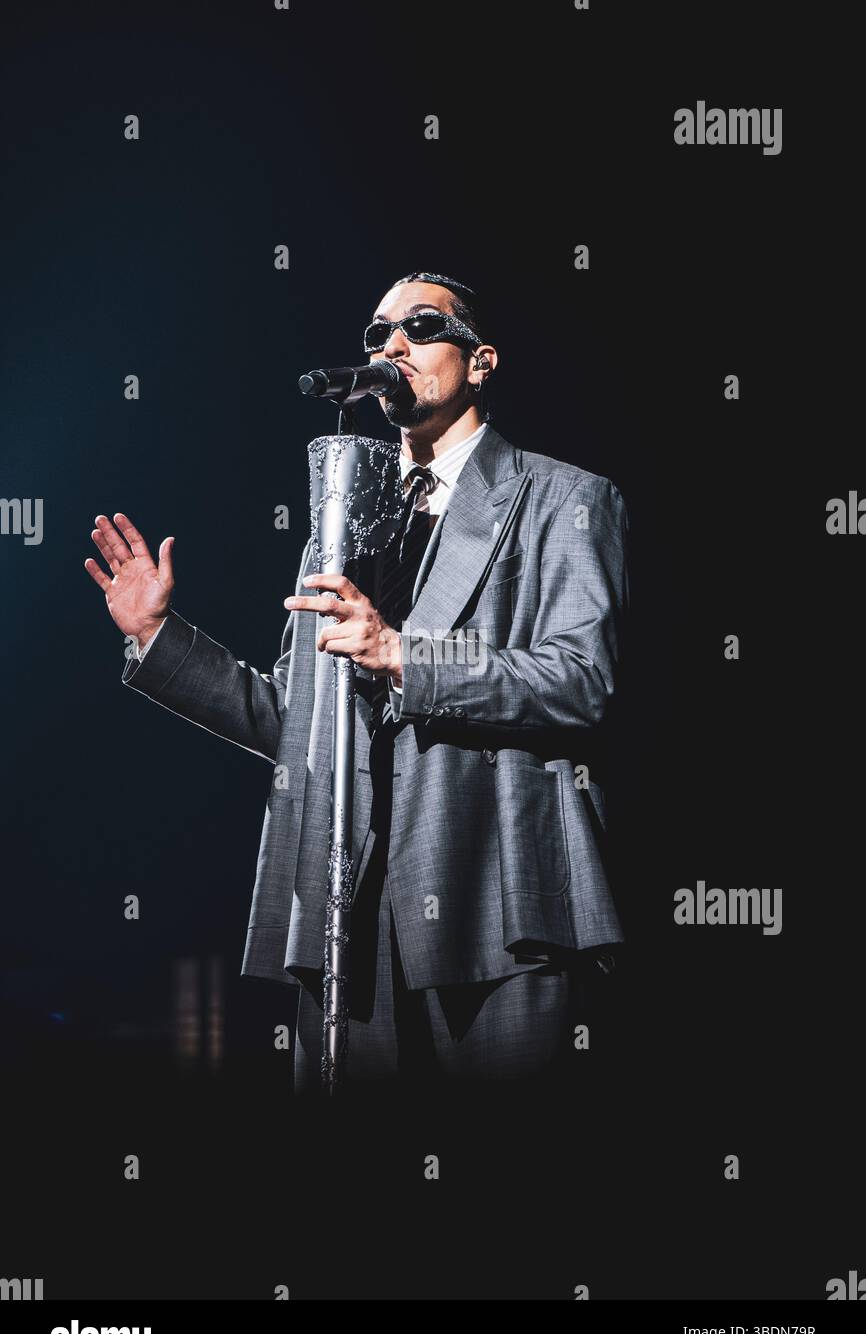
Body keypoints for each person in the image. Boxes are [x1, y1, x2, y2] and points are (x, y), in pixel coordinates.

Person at [84, 271, 629, 1102]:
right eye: (377, 335)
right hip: (351, 920)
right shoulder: (342, 527)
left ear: (480, 361)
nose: (391, 346)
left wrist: (405, 653)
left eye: (419, 325)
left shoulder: (563, 499)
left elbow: (580, 680)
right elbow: (293, 723)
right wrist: (159, 638)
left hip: (497, 906)